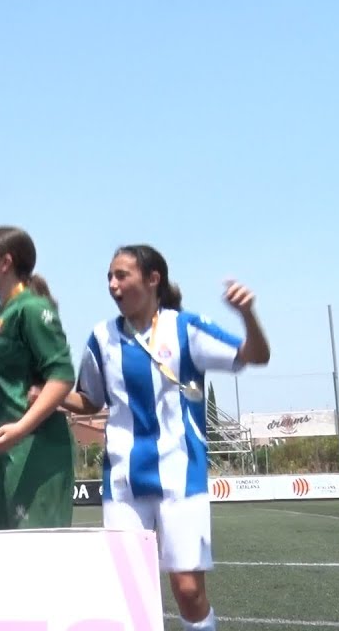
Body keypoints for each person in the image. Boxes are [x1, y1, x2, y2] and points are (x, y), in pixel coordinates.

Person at [59, 244, 270, 631]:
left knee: (188, 591)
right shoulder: (100, 337)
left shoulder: (186, 328)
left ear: (153, 279)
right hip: (122, 482)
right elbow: (90, 400)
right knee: (127, 593)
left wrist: (247, 314)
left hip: (180, 477)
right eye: (109, 276)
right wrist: (50, 394)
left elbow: (255, 355)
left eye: (121, 275)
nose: (112, 284)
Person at [0, 226, 77, 531]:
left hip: (36, 450)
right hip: (7, 451)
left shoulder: (32, 308)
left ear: (5, 262)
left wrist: (20, 429)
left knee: (39, 562)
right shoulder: (2, 314)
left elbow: (62, 375)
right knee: (10, 561)